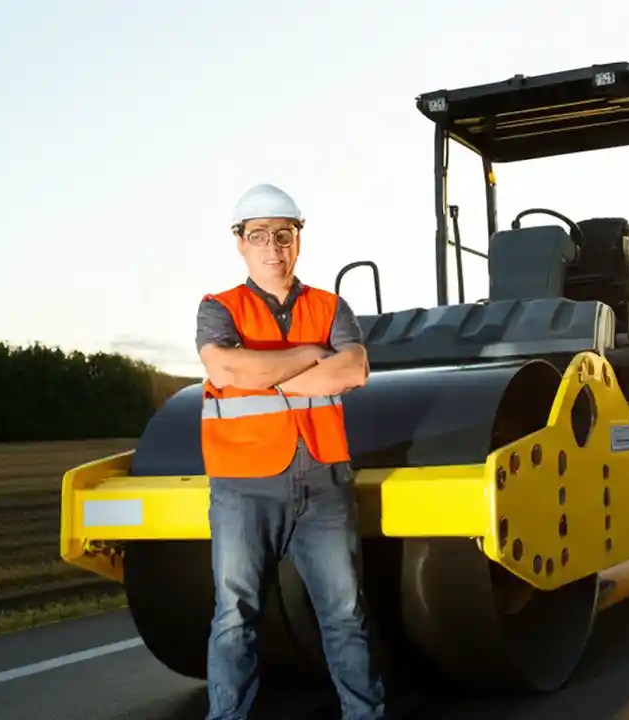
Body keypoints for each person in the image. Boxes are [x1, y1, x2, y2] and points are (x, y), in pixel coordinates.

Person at [195, 183, 386, 720]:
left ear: (298, 239)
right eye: (260, 236)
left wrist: (263, 376)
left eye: (285, 234)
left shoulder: (331, 305)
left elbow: (353, 369)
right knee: (234, 614)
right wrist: (307, 354)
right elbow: (225, 369)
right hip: (243, 485)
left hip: (324, 480)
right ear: (240, 243)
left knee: (346, 613)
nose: (274, 248)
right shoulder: (219, 308)